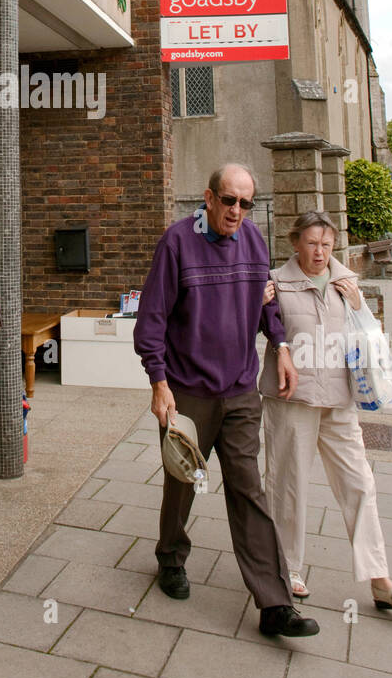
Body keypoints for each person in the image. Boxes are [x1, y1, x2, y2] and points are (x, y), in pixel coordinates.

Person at [134, 163, 319, 639]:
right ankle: (170, 559)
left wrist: (280, 347)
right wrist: (158, 382)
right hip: (187, 391)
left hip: (239, 389)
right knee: (184, 482)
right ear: (209, 197)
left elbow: (266, 303)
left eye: (245, 203)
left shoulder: (254, 241)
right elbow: (151, 318)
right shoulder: (177, 243)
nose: (237, 211)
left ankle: (275, 604)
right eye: (229, 201)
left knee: (247, 489)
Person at [260, 211, 392, 613]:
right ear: (295, 242)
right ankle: (288, 568)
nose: (319, 251)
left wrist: (359, 304)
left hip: (339, 400)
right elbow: (257, 332)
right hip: (290, 398)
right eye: (311, 243)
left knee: (359, 484)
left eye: (326, 244)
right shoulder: (275, 283)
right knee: (288, 485)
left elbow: (367, 335)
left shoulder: (345, 282)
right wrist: (254, 305)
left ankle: (380, 579)